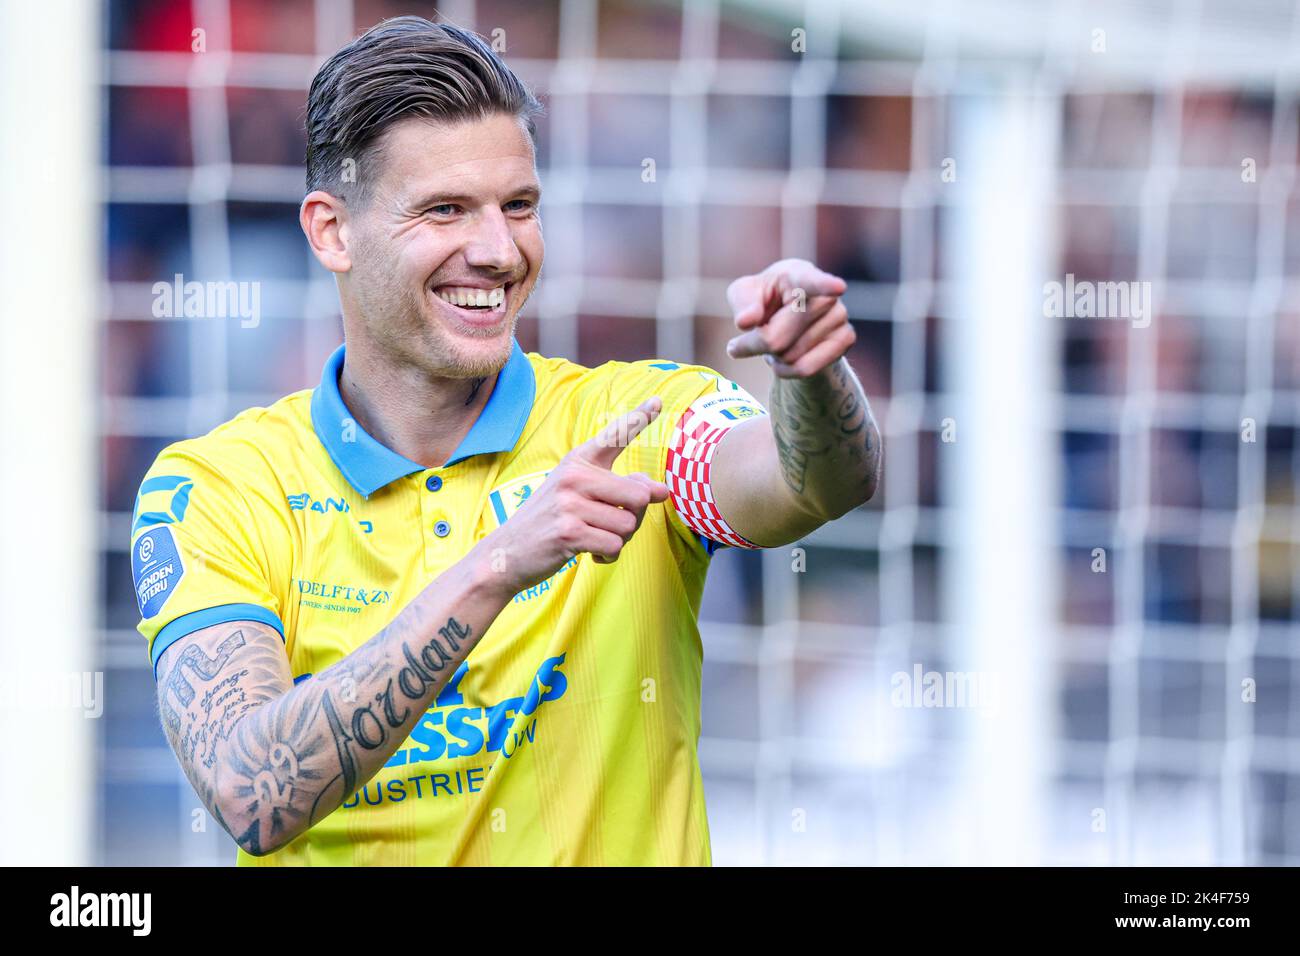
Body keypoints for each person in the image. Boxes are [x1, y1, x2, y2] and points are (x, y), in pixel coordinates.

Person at [129, 16, 880, 865]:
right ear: (331, 231)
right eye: (445, 210)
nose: (497, 251)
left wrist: (811, 378)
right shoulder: (219, 486)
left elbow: (813, 484)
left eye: (517, 206)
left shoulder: (634, 422)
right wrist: (498, 564)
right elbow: (251, 794)